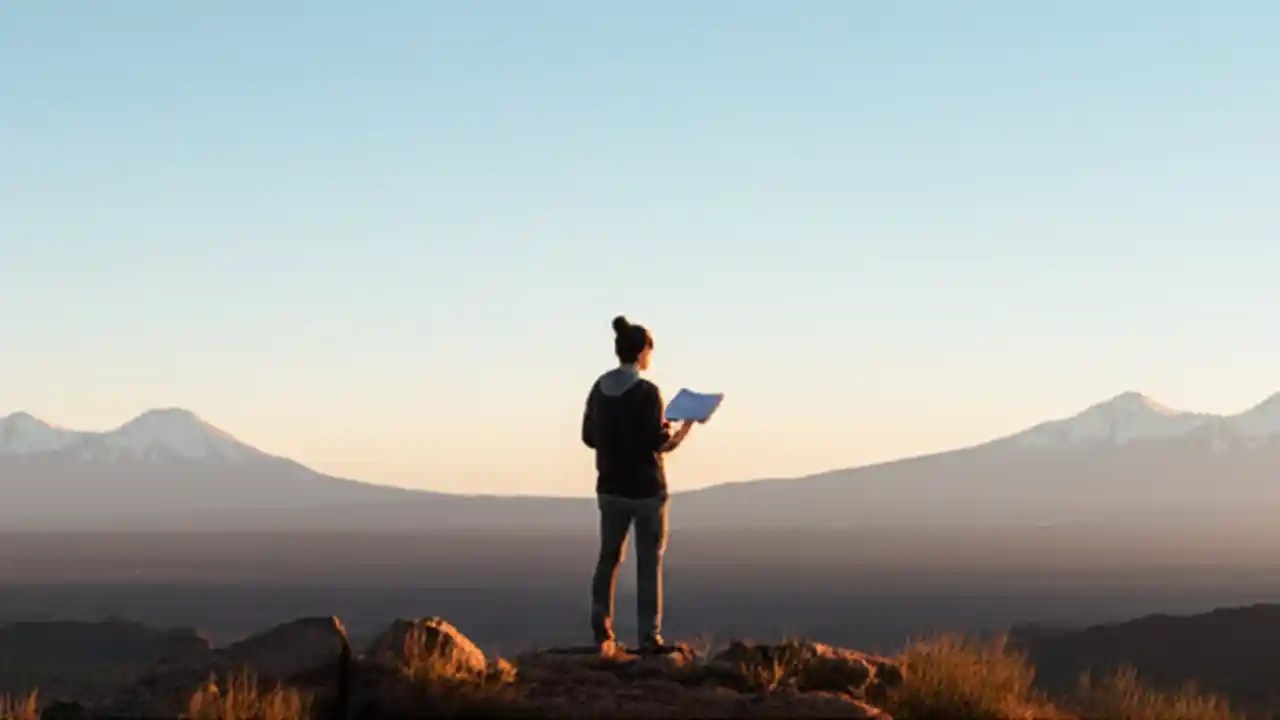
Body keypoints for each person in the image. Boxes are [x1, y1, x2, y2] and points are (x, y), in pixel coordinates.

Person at [581, 315, 694, 655]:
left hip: (610, 488)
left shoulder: (599, 388)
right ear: (643, 351)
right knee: (649, 562)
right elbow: (659, 443)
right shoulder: (647, 393)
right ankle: (649, 636)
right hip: (646, 490)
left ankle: (602, 631)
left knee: (609, 558)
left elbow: (588, 436)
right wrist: (684, 429)